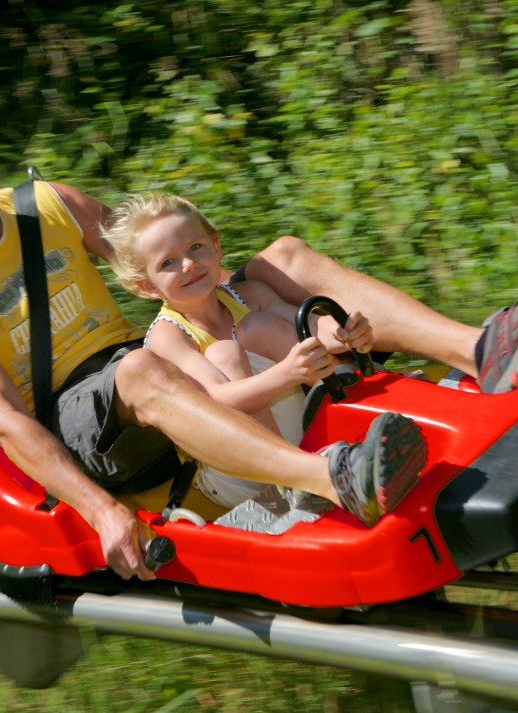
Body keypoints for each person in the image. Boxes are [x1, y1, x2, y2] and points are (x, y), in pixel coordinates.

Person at [0, 93, 428, 582]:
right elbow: (6, 422)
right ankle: (333, 480)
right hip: (80, 428)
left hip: (143, 366)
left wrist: (245, 290)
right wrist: (101, 511)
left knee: (281, 257)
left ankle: (473, 349)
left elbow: (157, 259)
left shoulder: (46, 204)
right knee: (143, 368)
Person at [103, 192, 375, 508]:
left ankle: (362, 406)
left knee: (257, 326)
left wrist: (343, 332)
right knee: (224, 353)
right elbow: (218, 401)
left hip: (292, 433)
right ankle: (292, 482)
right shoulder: (168, 337)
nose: (189, 264)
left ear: (215, 246)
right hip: (236, 467)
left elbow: (313, 327)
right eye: (168, 263)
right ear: (147, 286)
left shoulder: (250, 295)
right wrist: (288, 373)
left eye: (195, 247)